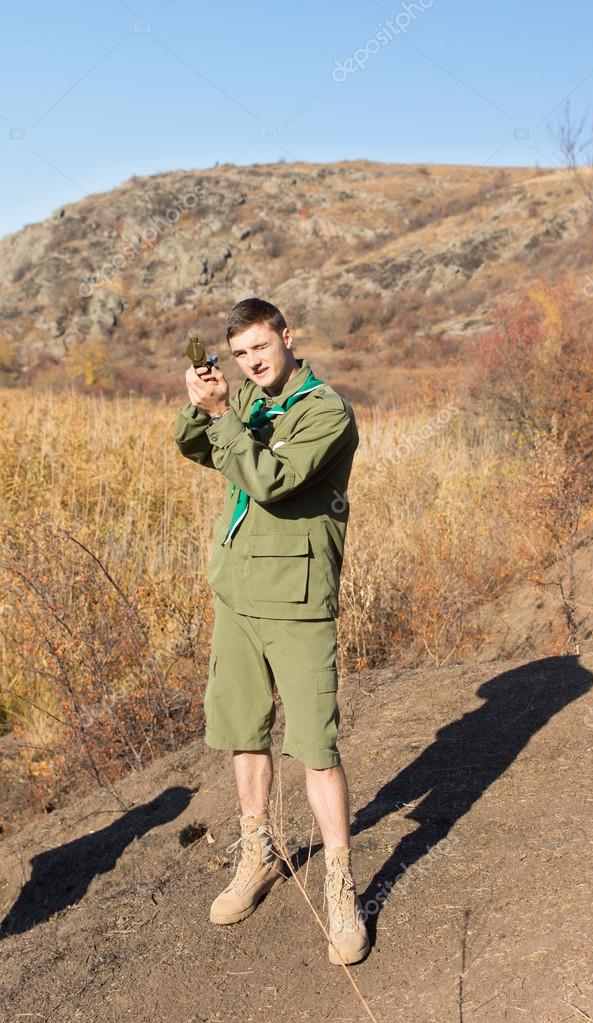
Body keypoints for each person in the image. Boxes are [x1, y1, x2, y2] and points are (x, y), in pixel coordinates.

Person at [174, 297, 369, 966]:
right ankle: (258, 853)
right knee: (243, 731)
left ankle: (341, 885)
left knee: (316, 746)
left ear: (287, 336)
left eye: (260, 346)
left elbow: (268, 478)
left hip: (300, 603)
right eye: (239, 355)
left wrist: (225, 417)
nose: (252, 361)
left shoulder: (324, 410)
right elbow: (200, 447)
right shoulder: (252, 404)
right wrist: (200, 406)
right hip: (240, 598)